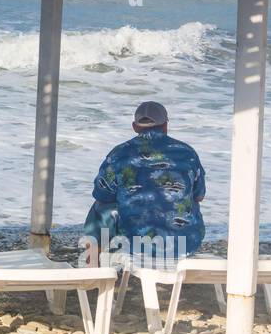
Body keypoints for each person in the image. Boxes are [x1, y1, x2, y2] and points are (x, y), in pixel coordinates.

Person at [80, 101, 206, 268]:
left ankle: (92, 265)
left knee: (101, 209)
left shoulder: (119, 154)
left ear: (135, 127)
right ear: (165, 125)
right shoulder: (187, 153)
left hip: (137, 243)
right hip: (185, 242)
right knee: (188, 202)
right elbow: (199, 195)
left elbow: (102, 194)